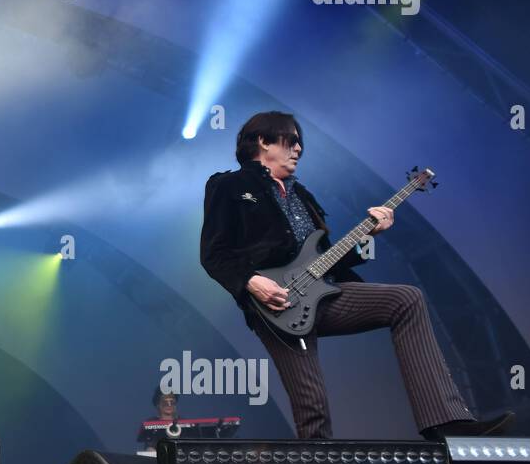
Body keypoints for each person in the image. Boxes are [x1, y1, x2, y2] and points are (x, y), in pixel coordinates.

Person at [200, 111, 513, 443]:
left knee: (406, 299)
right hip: (276, 307)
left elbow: (327, 258)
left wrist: (369, 236)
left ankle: (447, 422)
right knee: (312, 409)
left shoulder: (303, 196)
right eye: (290, 141)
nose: (298, 149)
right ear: (263, 141)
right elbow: (214, 253)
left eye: (300, 143)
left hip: (324, 294)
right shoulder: (230, 185)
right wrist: (250, 281)